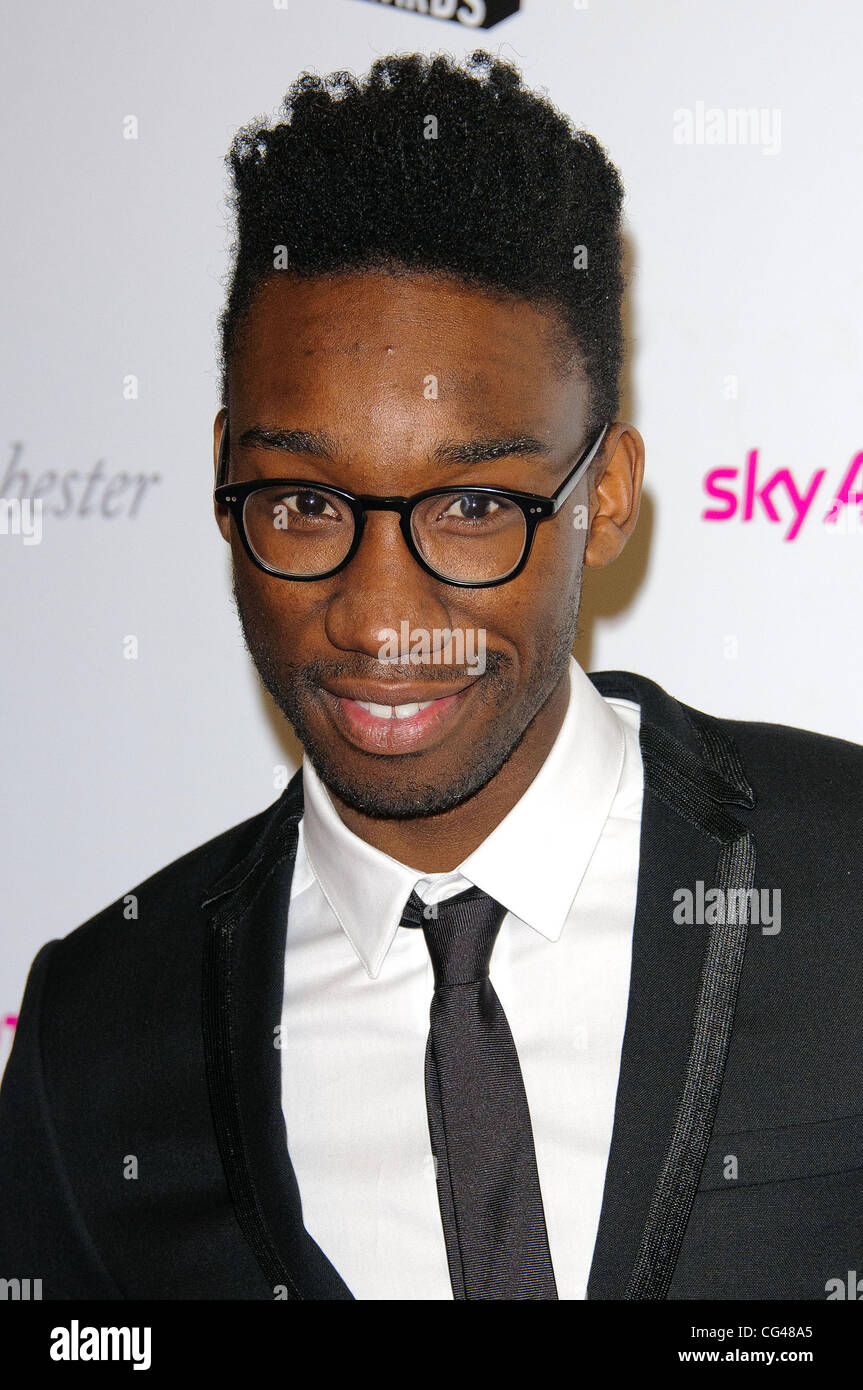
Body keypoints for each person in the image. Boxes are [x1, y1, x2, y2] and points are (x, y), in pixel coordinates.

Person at [1, 50, 860, 1302]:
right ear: (225, 483)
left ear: (604, 495)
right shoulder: (98, 1036)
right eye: (302, 500)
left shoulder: (843, 883)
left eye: (468, 503)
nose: (378, 615)